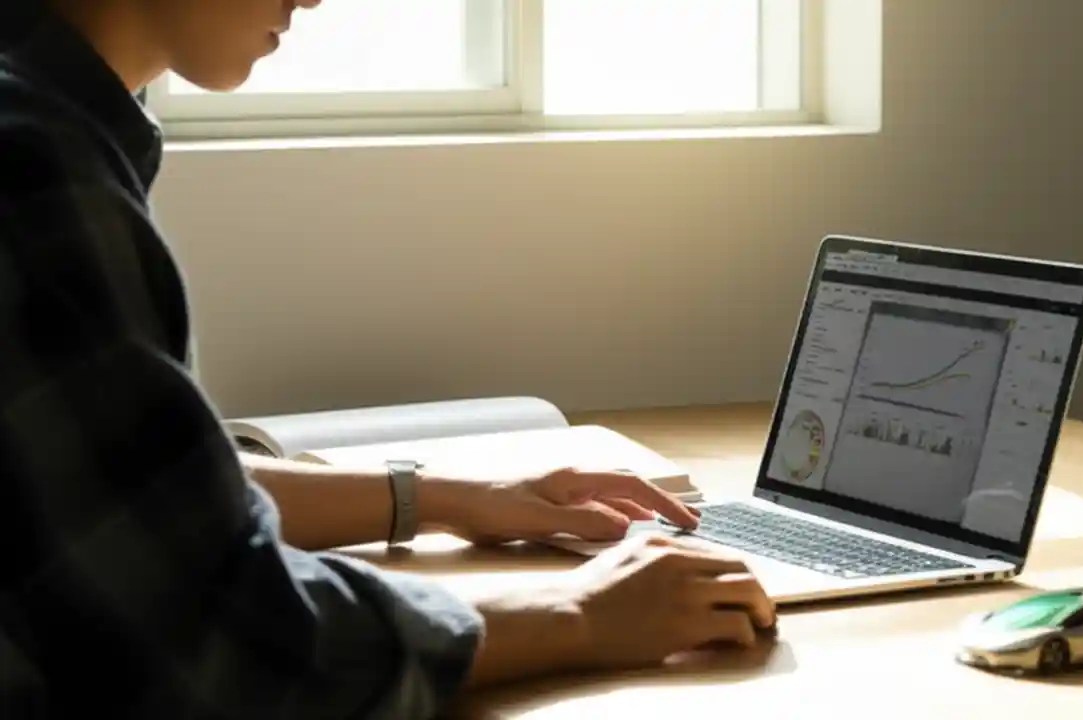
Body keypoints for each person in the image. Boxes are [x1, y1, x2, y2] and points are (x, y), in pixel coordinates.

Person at [0, 1, 776, 717]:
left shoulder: (54, 121)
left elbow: (123, 494)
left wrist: (446, 496)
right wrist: (573, 613)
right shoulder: (32, 167)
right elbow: (222, 650)